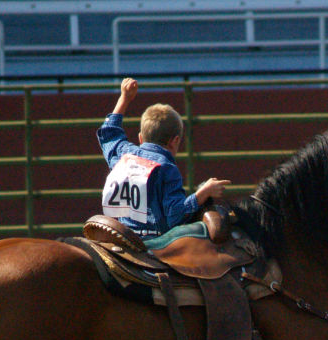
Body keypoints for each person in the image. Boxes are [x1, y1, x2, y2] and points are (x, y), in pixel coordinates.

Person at [97, 77, 230, 241]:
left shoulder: (124, 154)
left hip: (122, 239)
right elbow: (174, 217)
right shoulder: (167, 168)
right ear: (175, 141)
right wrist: (202, 194)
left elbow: (109, 132)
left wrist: (124, 98)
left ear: (140, 138)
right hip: (153, 244)